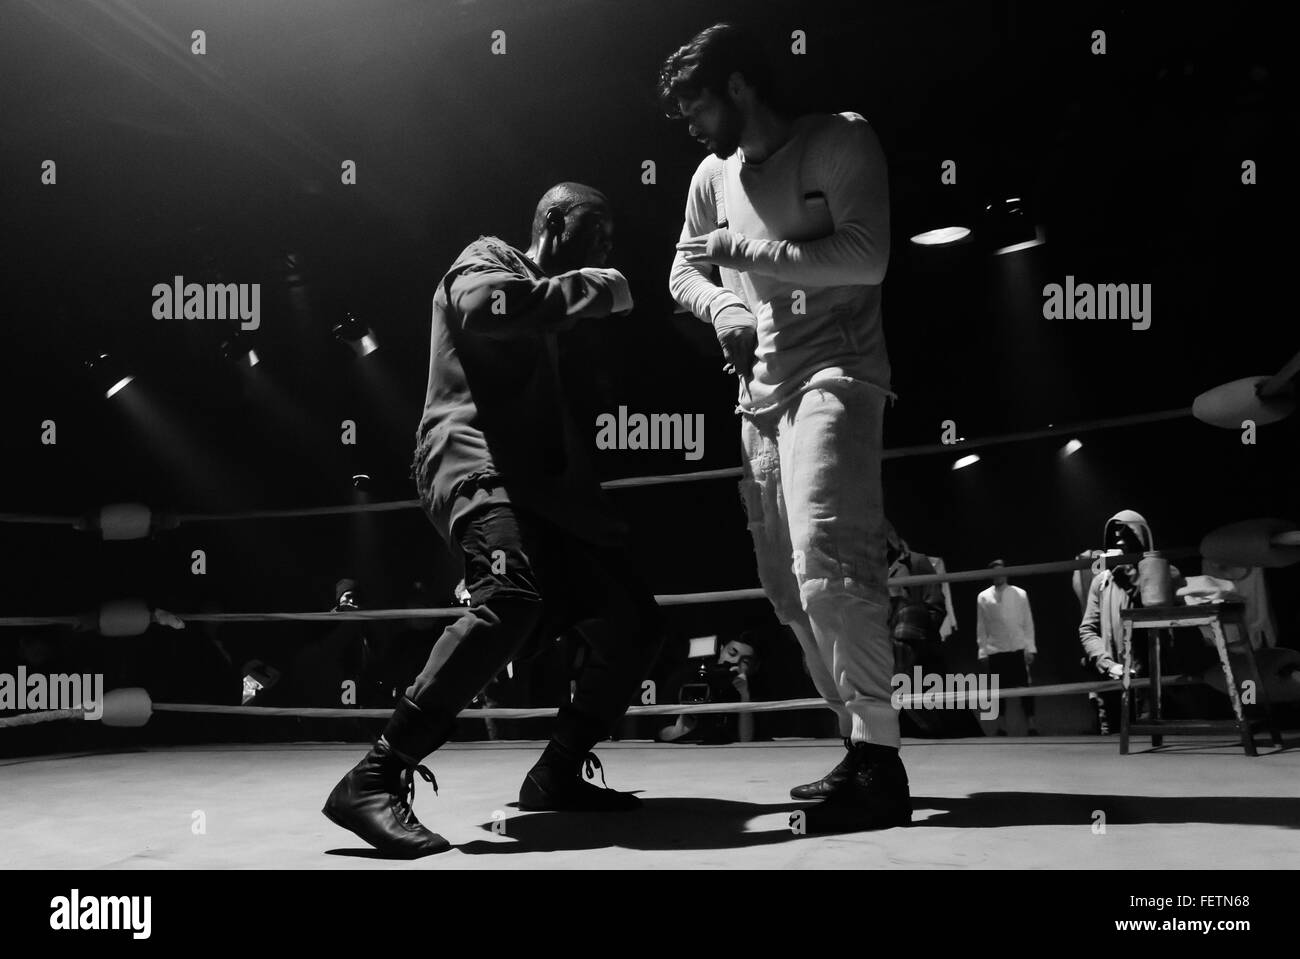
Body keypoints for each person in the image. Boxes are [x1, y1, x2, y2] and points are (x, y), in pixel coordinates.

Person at [322, 183, 664, 858]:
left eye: (610, 241)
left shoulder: (545, 319)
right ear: (555, 221)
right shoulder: (489, 259)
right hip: (474, 463)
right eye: (596, 230)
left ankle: (557, 770)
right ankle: (375, 774)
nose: (606, 247)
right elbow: (486, 309)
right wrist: (598, 287)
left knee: (635, 621)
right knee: (510, 597)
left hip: (540, 495)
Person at [661, 23, 908, 832]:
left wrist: (739, 248)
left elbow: (867, 257)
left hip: (838, 370)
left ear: (739, 86)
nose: (691, 124)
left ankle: (881, 758)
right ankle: (858, 746)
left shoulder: (839, 140)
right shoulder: (712, 175)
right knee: (784, 589)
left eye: (698, 105)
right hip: (758, 395)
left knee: (829, 559)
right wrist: (724, 305)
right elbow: (682, 268)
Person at [658, 633, 764, 744]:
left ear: (754, 667)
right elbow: (661, 731)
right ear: (721, 649)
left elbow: (746, 739)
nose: (735, 661)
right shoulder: (687, 677)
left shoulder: (754, 690)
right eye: (732, 653)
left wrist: (744, 695)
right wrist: (677, 731)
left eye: (745, 662)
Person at [976, 560, 1038, 735]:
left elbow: (1028, 622)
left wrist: (1030, 648)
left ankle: (1031, 725)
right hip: (996, 649)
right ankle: (1001, 726)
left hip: (1017, 647)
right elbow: (981, 626)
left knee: (1025, 689)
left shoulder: (1020, 593)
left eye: (1001, 571)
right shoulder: (983, 596)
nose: (999, 575)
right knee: (998, 691)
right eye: (995, 572)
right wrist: (982, 651)